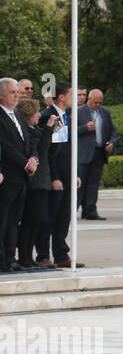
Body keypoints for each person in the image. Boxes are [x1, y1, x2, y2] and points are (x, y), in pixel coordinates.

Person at [40, 83, 81, 267]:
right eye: (72, 94)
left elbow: (69, 148)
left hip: (68, 172)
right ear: (62, 97)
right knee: (49, 215)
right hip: (54, 174)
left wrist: (75, 173)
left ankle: (61, 254)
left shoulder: (68, 117)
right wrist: (55, 176)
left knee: (64, 215)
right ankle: (42, 255)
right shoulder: (49, 116)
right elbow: (49, 151)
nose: (76, 97)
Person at [0, 78, 36, 271]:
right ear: (1, 95)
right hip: (7, 176)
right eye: (12, 92)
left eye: (17, 92)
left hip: (22, 178)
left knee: (14, 220)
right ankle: (1, 260)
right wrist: (24, 162)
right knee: (3, 219)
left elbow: (29, 141)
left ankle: (10, 257)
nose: (17, 96)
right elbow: (5, 146)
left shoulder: (19, 117)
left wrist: (33, 159)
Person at [15, 99, 52, 270]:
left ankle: (28, 257)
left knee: (36, 221)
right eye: (36, 112)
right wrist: (49, 130)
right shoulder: (27, 132)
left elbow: (48, 152)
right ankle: (24, 256)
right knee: (30, 221)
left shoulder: (35, 129)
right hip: (33, 182)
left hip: (41, 180)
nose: (39, 115)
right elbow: (41, 149)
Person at [77, 89, 115, 220]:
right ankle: (72, 210)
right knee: (80, 183)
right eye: (95, 103)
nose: (97, 105)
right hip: (83, 153)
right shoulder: (79, 112)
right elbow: (70, 131)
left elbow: (112, 131)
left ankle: (90, 211)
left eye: (100, 103)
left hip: (99, 152)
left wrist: (111, 142)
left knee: (94, 183)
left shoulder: (105, 112)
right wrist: (85, 128)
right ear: (89, 100)